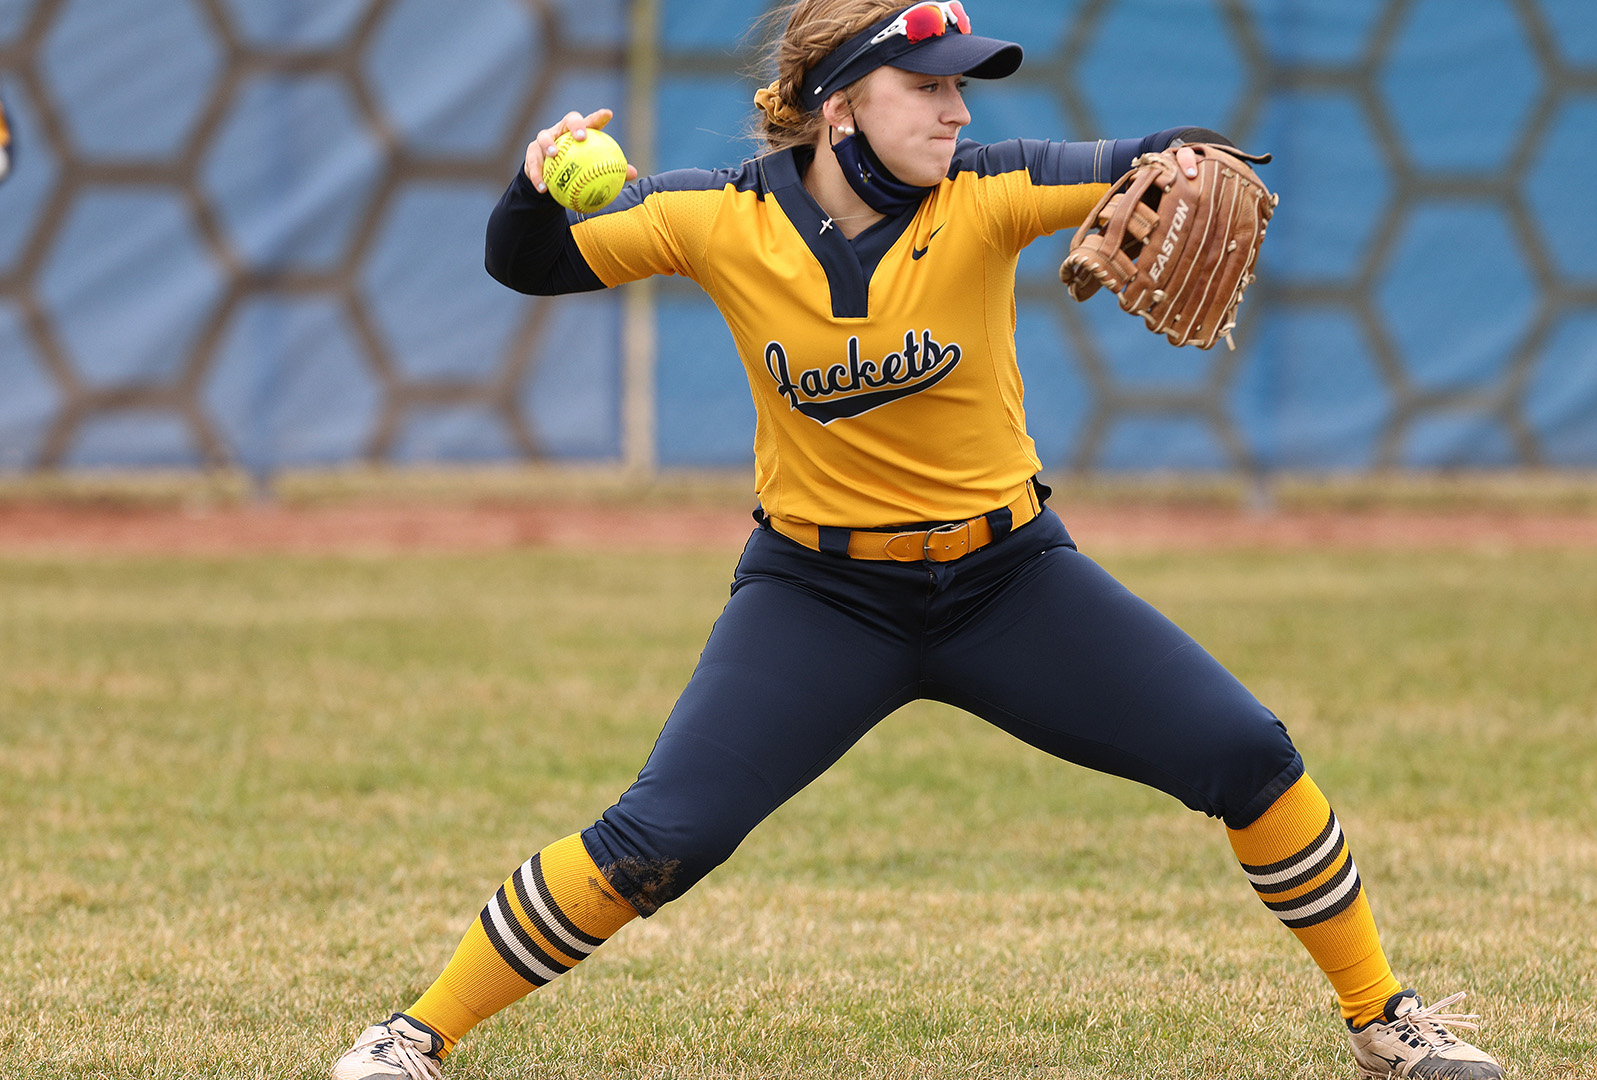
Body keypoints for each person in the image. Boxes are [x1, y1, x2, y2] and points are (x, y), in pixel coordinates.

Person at [329, 3, 1502, 1078]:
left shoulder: (989, 190)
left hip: (1010, 583)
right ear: (840, 104)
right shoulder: (720, 215)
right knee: (661, 836)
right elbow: (526, 261)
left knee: (1247, 753)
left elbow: (1156, 149)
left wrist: (1193, 160)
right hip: (819, 597)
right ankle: (413, 1037)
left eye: (961, 88)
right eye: (927, 88)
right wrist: (536, 180)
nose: (958, 112)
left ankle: (1384, 1023)